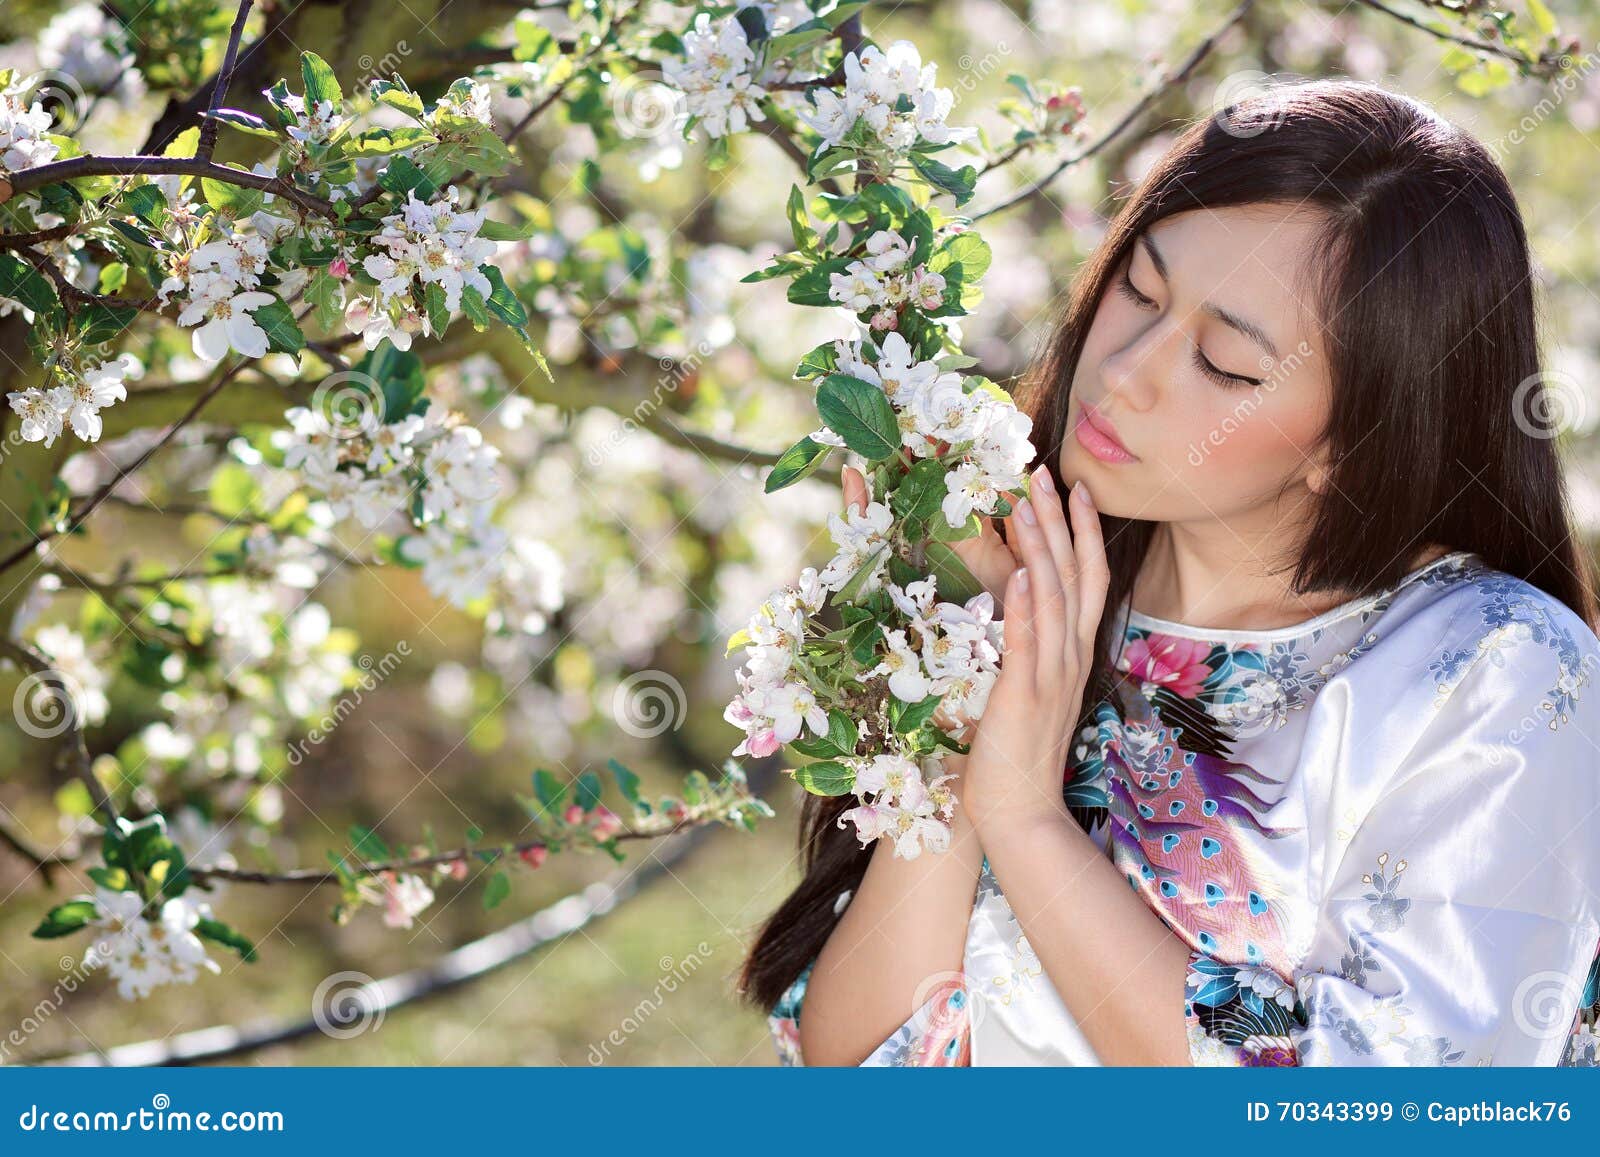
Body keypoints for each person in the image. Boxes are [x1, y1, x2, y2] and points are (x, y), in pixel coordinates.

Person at [739, 78, 1600, 1067]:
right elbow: (852, 1079)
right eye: (1138, 290)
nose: (1125, 369)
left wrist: (1023, 815)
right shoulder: (1043, 618)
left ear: (1358, 438)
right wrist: (960, 707)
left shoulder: (1492, 670)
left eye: (1226, 362)